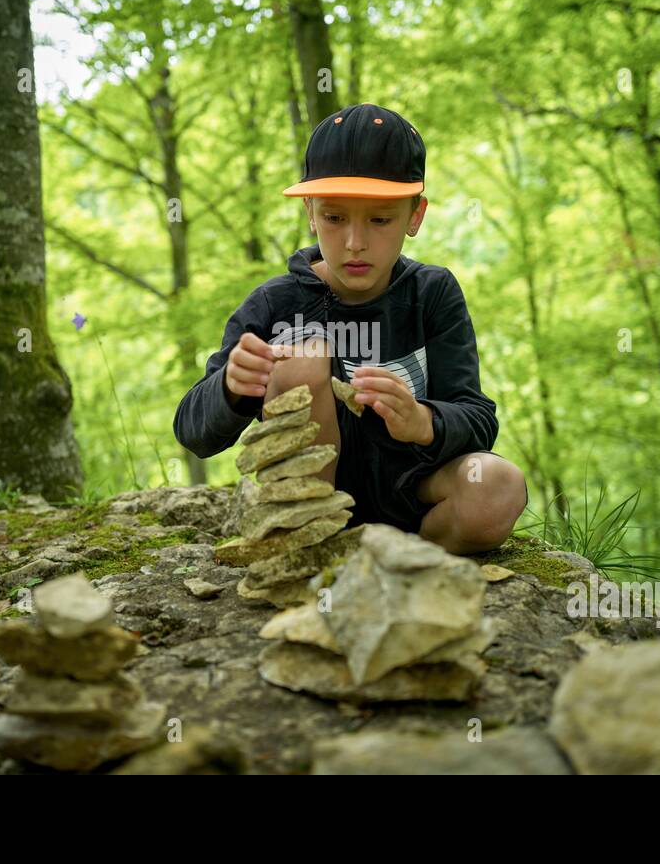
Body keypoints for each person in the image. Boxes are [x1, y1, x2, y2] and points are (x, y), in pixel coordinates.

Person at [173, 102, 527, 554]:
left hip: (414, 497)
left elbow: (477, 418)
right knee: (302, 359)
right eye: (335, 218)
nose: (355, 243)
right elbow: (192, 430)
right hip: (308, 503)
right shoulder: (274, 304)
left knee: (499, 484)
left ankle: (399, 562)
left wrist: (423, 422)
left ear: (415, 215)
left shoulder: (432, 294)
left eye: (380, 219)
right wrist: (232, 387)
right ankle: (316, 543)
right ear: (310, 212)